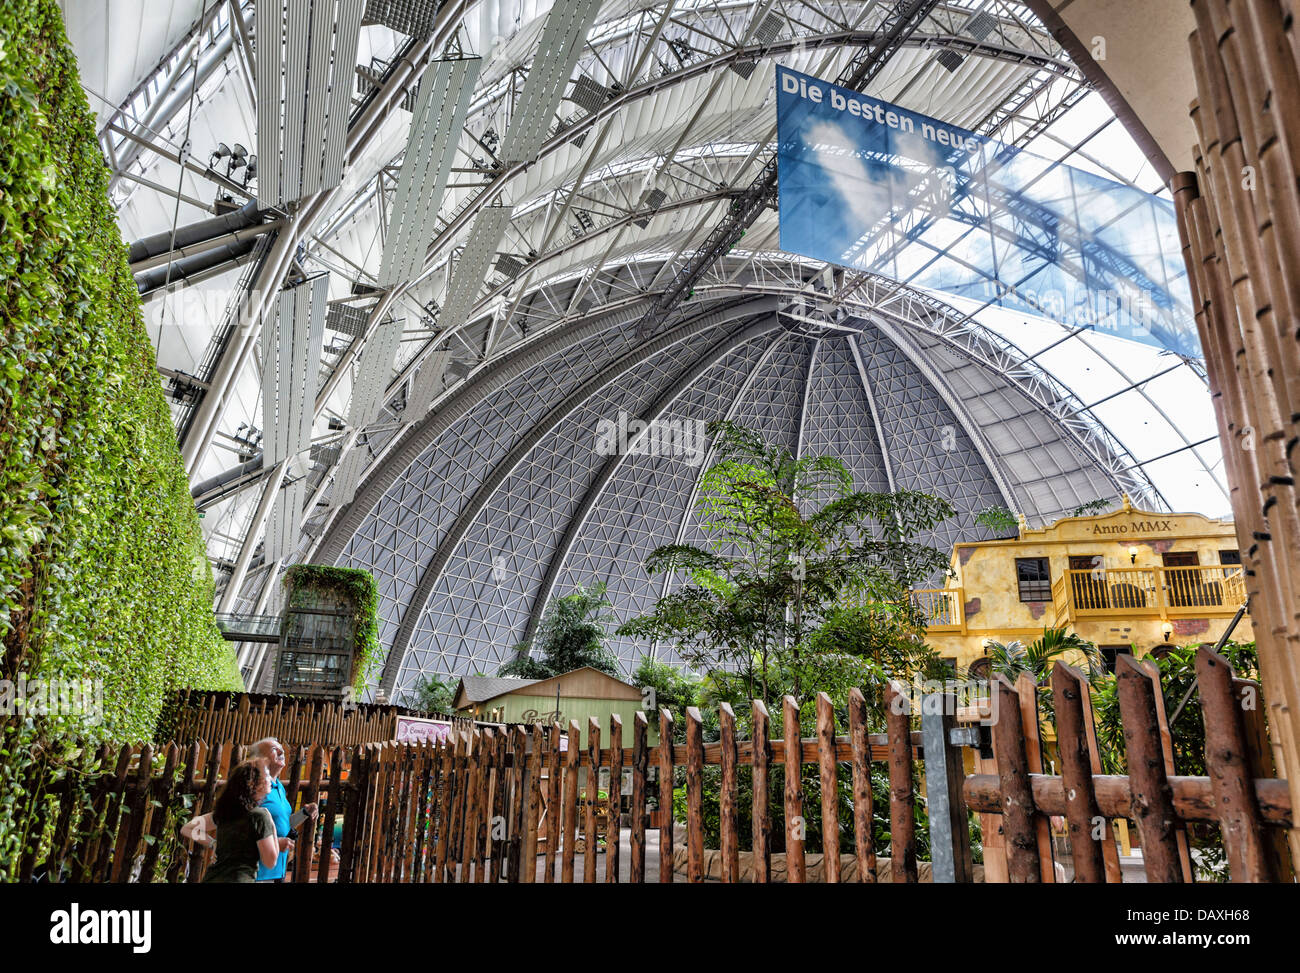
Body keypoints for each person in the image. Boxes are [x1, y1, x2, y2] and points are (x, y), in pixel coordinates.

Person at [181, 758, 292, 883]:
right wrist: (272, 826)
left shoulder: (226, 812)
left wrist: (213, 843)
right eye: (267, 776)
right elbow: (270, 862)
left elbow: (188, 828)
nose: (270, 780)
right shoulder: (259, 816)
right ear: (257, 784)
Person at [249, 738, 317, 882]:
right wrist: (274, 843)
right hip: (256, 873)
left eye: (281, 749)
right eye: (274, 749)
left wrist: (304, 813)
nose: (282, 752)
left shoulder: (278, 786)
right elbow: (241, 830)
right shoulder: (254, 787)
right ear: (259, 759)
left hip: (276, 871)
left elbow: (281, 824)